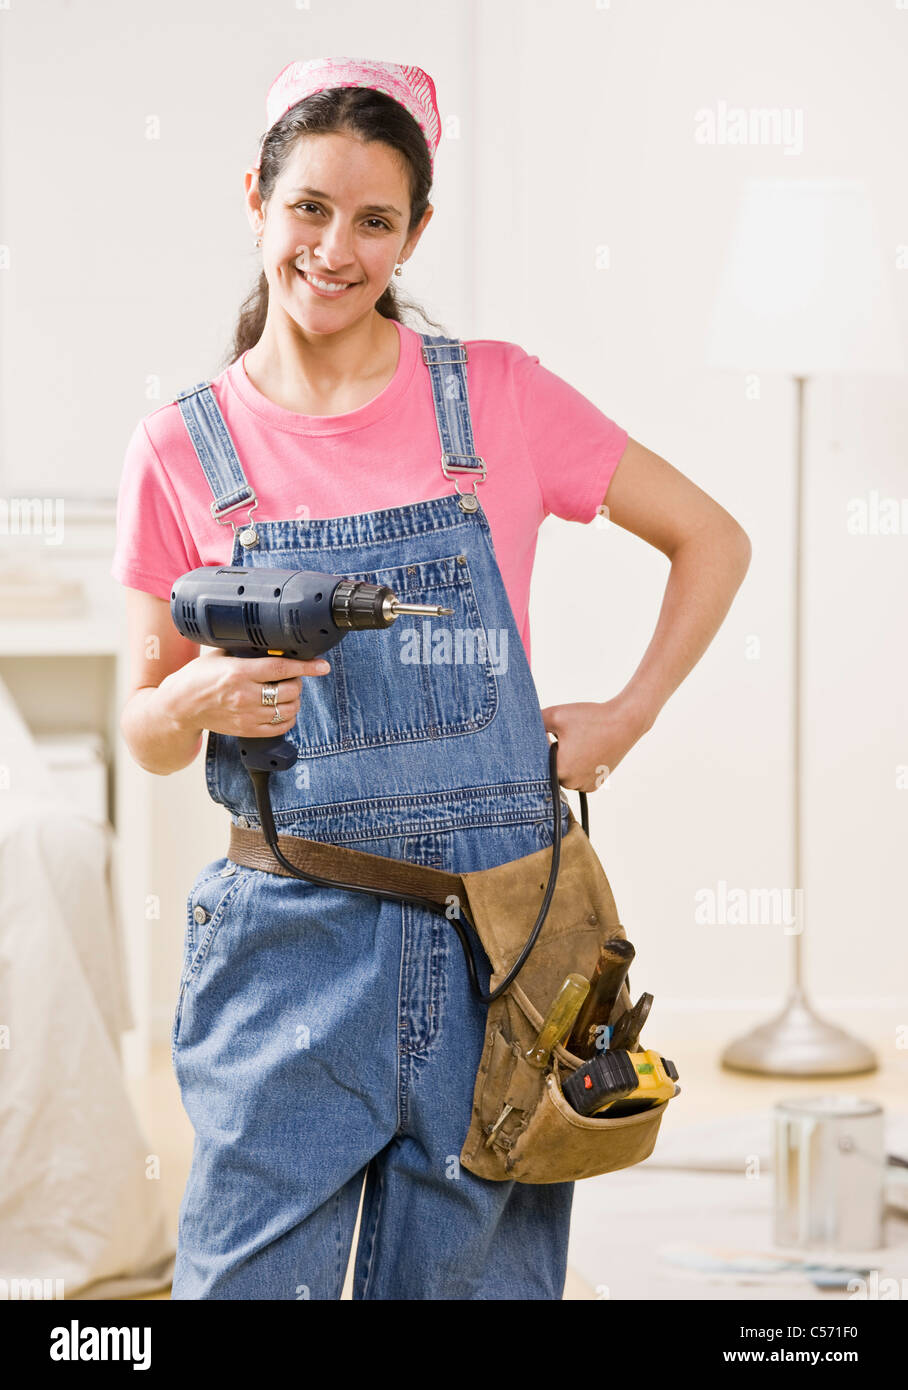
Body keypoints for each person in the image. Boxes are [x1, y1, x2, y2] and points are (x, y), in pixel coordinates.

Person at [112, 56, 751, 1301]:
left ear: (415, 232)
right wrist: (199, 699)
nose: (335, 249)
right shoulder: (181, 450)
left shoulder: (495, 396)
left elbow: (710, 537)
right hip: (285, 944)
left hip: (499, 945)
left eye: (374, 220)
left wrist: (627, 712)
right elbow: (141, 726)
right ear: (254, 197)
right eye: (307, 208)